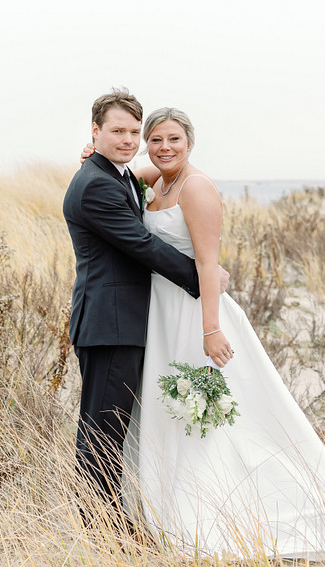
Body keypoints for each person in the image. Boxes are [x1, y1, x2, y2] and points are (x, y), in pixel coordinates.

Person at [82, 107, 325, 557]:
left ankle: (208, 505)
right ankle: (165, 499)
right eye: (155, 139)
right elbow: (115, 167)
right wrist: (89, 153)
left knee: (208, 413)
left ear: (190, 142)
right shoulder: (155, 178)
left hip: (193, 311)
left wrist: (210, 328)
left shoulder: (197, 186)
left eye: (174, 140)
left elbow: (206, 261)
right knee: (167, 408)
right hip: (158, 315)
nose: (164, 147)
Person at [63, 89, 231, 532]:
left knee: (119, 426)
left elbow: (161, 164)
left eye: (134, 132)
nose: (129, 139)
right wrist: (202, 277)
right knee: (103, 431)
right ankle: (104, 531)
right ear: (95, 131)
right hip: (110, 323)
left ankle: (122, 516)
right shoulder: (98, 183)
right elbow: (141, 244)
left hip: (133, 320)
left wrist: (100, 153)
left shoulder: (118, 173)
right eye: (117, 131)